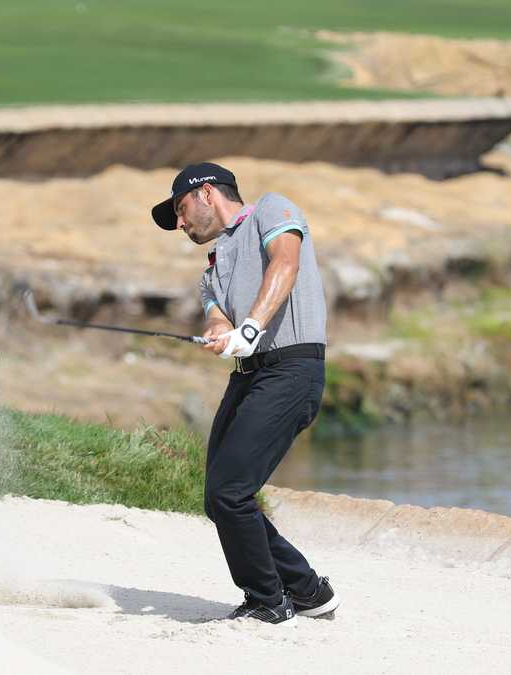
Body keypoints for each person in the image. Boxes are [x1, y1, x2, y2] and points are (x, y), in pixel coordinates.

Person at [151, 162, 339, 626]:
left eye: (180, 209)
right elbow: (217, 314)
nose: (180, 223)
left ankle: (267, 600)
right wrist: (222, 331)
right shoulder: (212, 267)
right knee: (219, 498)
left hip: (293, 369)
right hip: (249, 376)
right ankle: (307, 590)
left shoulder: (271, 209)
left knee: (231, 492)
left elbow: (285, 263)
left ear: (207, 193)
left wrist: (251, 327)